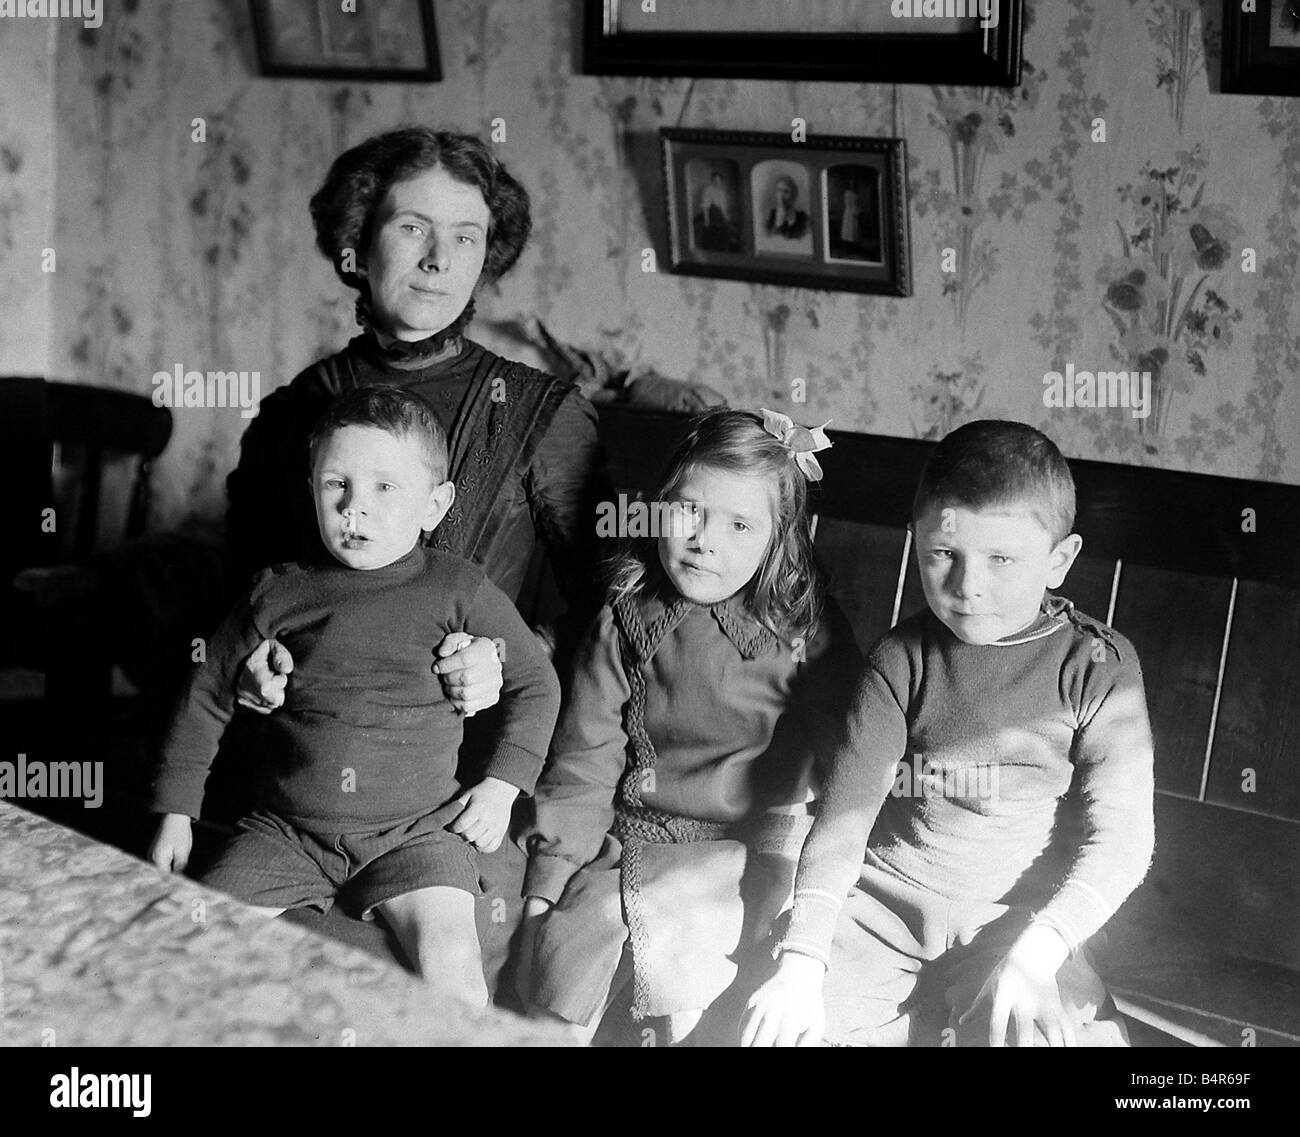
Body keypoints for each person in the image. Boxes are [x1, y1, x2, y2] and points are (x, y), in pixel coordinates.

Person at [742, 419, 1156, 1047]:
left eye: (1002, 560)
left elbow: (1123, 843)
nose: (969, 586)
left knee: (1057, 1037)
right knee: (786, 1026)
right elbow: (843, 821)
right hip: (880, 912)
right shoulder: (899, 659)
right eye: (944, 555)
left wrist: (1039, 952)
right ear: (916, 542)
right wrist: (802, 961)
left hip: (1014, 923)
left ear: (1059, 561)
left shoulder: (1099, 666)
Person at [149, 387, 561, 1006]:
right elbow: (205, 690)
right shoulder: (279, 593)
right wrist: (175, 809)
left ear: (435, 504)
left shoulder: (456, 587)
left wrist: (504, 785)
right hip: (286, 832)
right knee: (193, 946)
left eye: (384, 489)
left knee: (452, 962)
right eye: (335, 484)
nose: (355, 510)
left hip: (416, 833)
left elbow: (538, 683)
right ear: (310, 486)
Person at [518, 409, 861, 1044]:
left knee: (696, 966)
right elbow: (582, 760)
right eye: (688, 513)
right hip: (627, 834)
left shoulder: (806, 630)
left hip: (744, 848)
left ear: (778, 537)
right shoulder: (624, 617)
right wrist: (548, 880)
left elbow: (850, 755)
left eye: (740, 525)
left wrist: (803, 873)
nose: (705, 540)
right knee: (566, 950)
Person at [763, 176, 809, 240]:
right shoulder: (770, 216)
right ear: (775, 194)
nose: (781, 195)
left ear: (794, 196)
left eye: (786, 191)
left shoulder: (803, 218)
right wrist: (778, 222)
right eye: (779, 190)